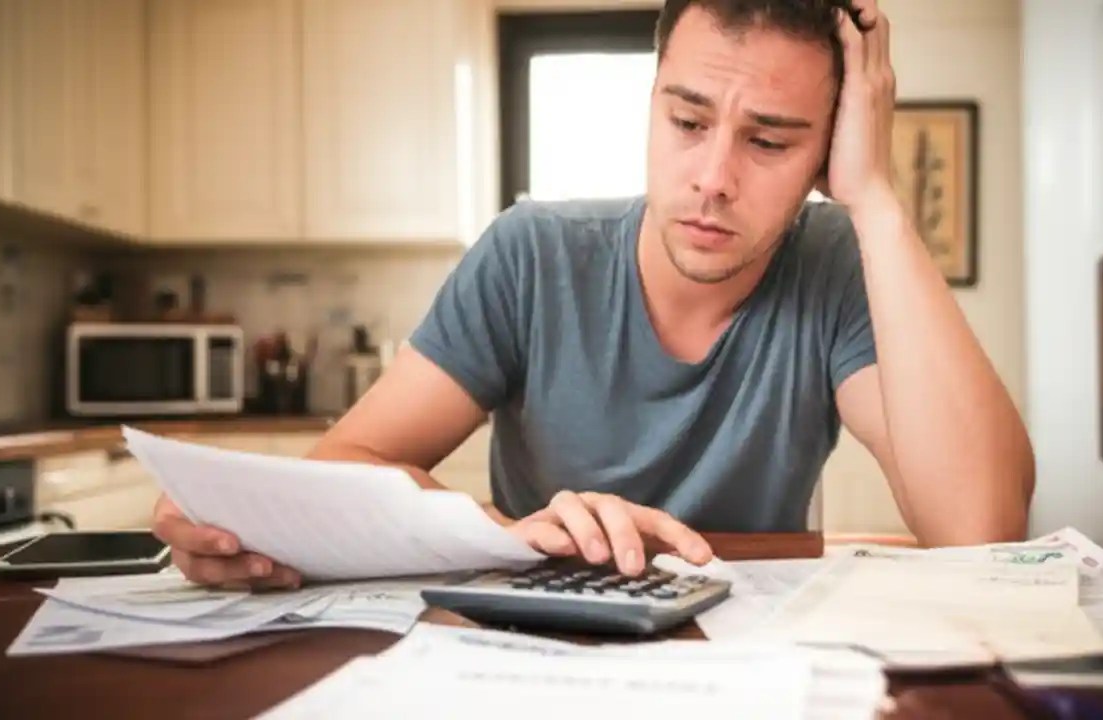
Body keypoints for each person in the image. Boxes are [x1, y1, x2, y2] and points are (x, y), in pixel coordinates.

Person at [153, 0, 1035, 590]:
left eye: (769, 142)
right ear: (650, 102)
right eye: (687, 123)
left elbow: (980, 526)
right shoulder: (530, 254)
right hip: (534, 654)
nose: (713, 178)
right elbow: (350, 460)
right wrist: (506, 528)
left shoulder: (836, 262)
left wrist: (876, 198)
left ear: (826, 151)